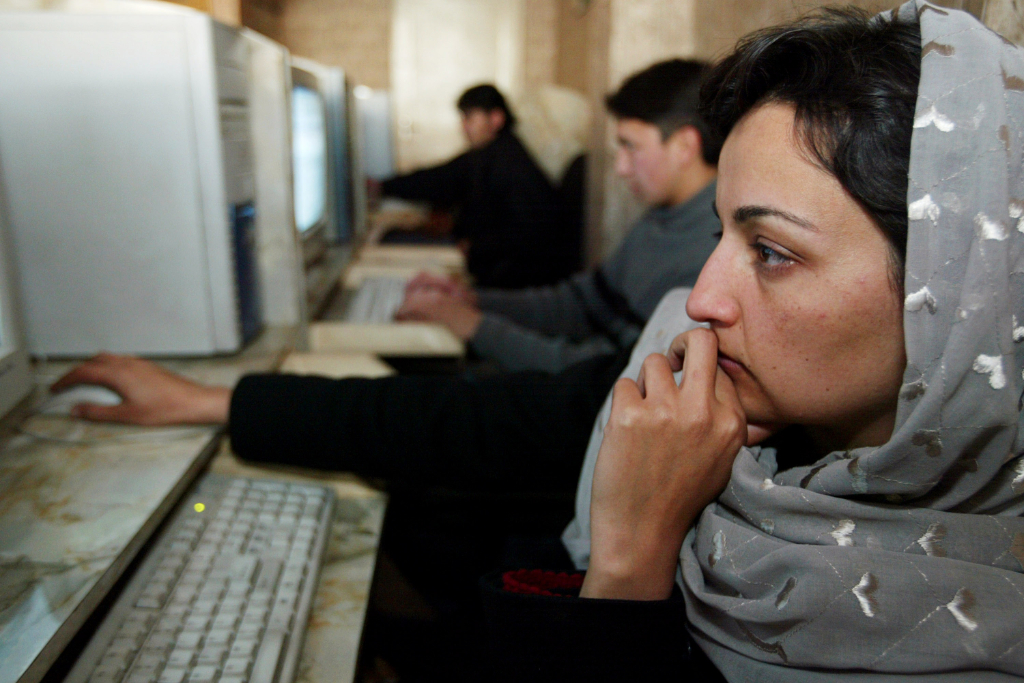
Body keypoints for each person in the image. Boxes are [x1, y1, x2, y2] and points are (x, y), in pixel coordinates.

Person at [52, 2, 1024, 680]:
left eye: (768, 249)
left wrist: (631, 558)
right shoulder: (731, 388)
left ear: (958, 297)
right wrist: (218, 400)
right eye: (724, 231)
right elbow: (508, 416)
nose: (701, 297)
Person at [396, 60, 720, 374]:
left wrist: (473, 325)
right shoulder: (664, 218)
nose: (620, 168)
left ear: (684, 145)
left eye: (629, 146)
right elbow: (577, 304)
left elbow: (602, 377)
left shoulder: (709, 253)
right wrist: (472, 300)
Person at [379, 84, 570, 289]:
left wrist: (476, 247)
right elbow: (441, 178)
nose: (463, 127)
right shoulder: (493, 153)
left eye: (469, 118)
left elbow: (533, 233)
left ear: (496, 119)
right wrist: (384, 187)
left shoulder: (508, 163)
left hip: (516, 280)